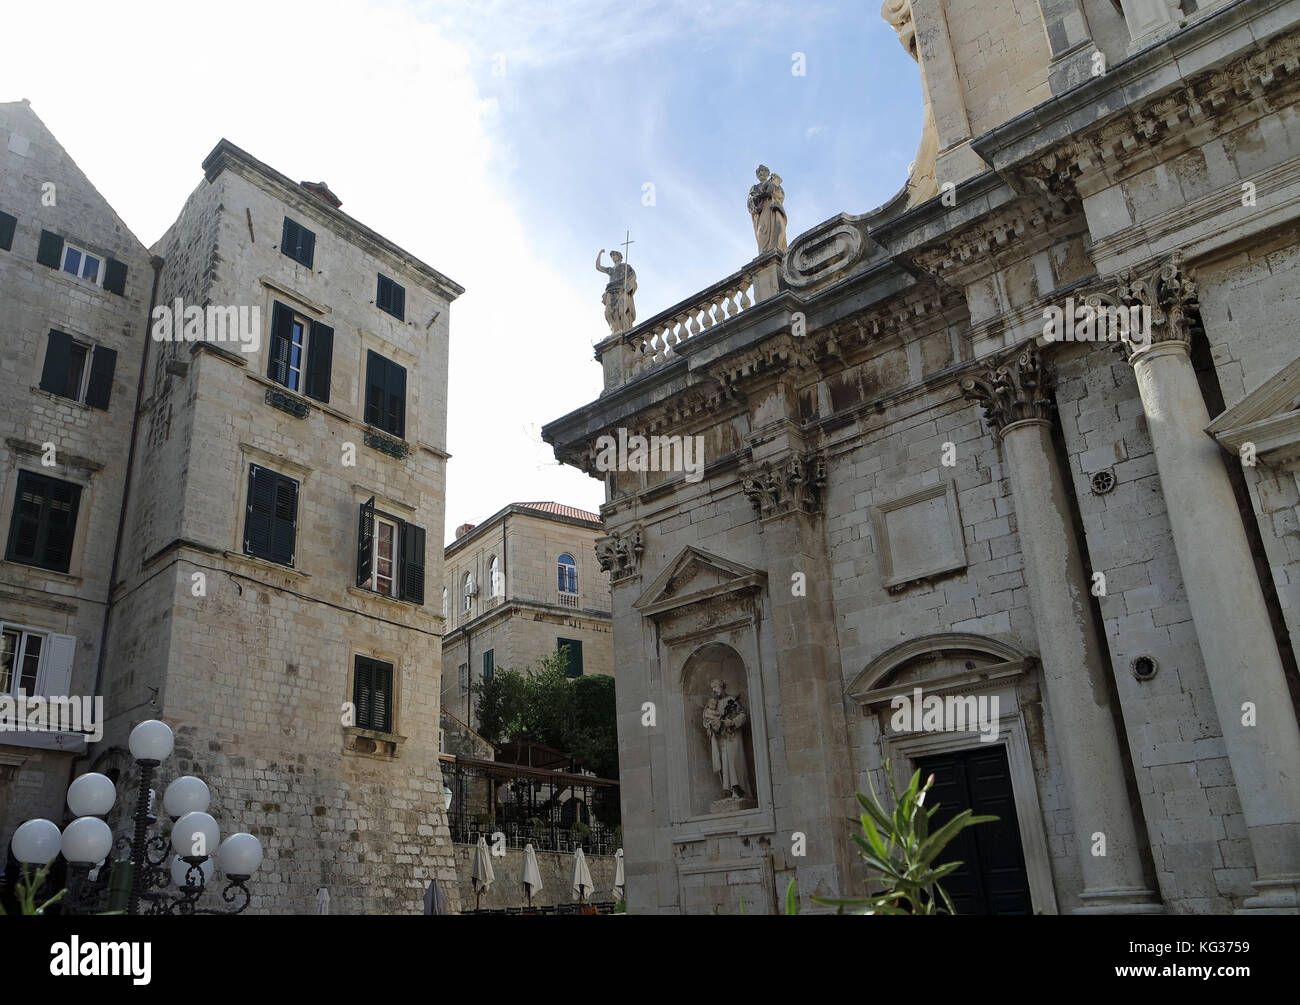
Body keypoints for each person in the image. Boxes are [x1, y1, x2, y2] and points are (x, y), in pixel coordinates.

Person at [702, 678, 750, 799]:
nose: (714, 691)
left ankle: (738, 789)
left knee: (733, 761)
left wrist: (733, 722)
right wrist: (712, 726)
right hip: (721, 739)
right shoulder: (714, 704)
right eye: (712, 689)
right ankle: (727, 789)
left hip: (733, 736)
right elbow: (709, 720)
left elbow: (743, 715)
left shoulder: (731, 700)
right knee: (723, 764)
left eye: (716, 687)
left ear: (722, 687)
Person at [595, 248, 637, 333]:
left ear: (619, 257)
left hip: (621, 290)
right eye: (612, 256)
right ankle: (615, 330)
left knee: (622, 311)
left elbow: (633, 276)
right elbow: (598, 267)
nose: (613, 257)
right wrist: (600, 254)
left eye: (614, 255)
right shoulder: (611, 269)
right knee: (608, 313)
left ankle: (625, 329)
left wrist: (629, 285)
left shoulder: (625, 266)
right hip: (610, 291)